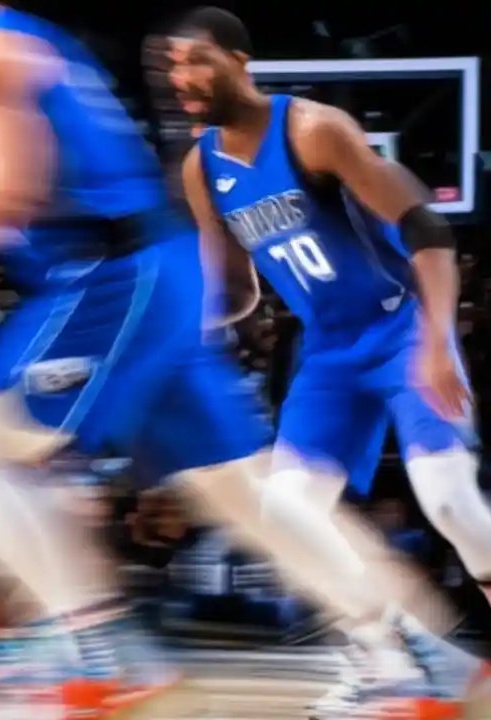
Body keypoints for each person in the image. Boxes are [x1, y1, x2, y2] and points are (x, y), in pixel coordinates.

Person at [0, 0, 486, 715]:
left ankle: (103, 656)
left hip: (112, 274)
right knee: (246, 494)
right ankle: (418, 654)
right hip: (149, 272)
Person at [168, 6, 491, 714]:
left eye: (197, 60)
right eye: (173, 65)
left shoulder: (314, 130)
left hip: (402, 329)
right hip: (329, 354)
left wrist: (438, 342)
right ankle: (395, 660)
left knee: (450, 502)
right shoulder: (201, 168)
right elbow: (236, 291)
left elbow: (428, 229)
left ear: (239, 60)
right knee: (286, 510)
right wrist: (183, 326)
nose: (181, 76)